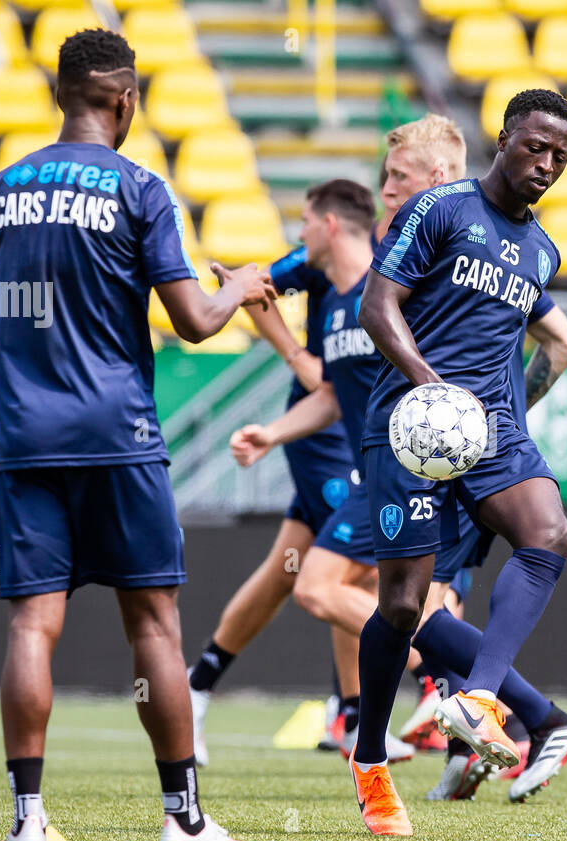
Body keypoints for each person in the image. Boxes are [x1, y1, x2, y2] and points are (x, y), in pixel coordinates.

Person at [0, 29, 274, 841]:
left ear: (61, 95)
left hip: (28, 439)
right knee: (156, 629)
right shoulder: (141, 188)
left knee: (33, 627)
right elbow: (196, 322)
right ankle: (183, 824)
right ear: (126, 101)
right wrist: (239, 286)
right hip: (119, 437)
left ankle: (27, 825)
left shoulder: (4, 188)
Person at [187, 114, 472, 764]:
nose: (390, 186)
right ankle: (435, 687)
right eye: (388, 177)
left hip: (381, 438)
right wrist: (296, 356)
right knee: (333, 575)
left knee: (300, 571)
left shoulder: (433, 248)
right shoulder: (352, 253)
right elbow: (255, 283)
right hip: (334, 430)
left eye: (399, 176)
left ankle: (224, 687)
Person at [350, 89, 567, 835]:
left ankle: (479, 701)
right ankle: (369, 761)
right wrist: (430, 389)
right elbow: (377, 308)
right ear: (505, 138)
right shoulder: (441, 209)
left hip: (490, 431)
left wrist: (496, 413)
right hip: (410, 423)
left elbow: (544, 344)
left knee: (549, 533)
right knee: (402, 606)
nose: (545, 164)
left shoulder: (542, 251)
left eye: (560, 156)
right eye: (534, 147)